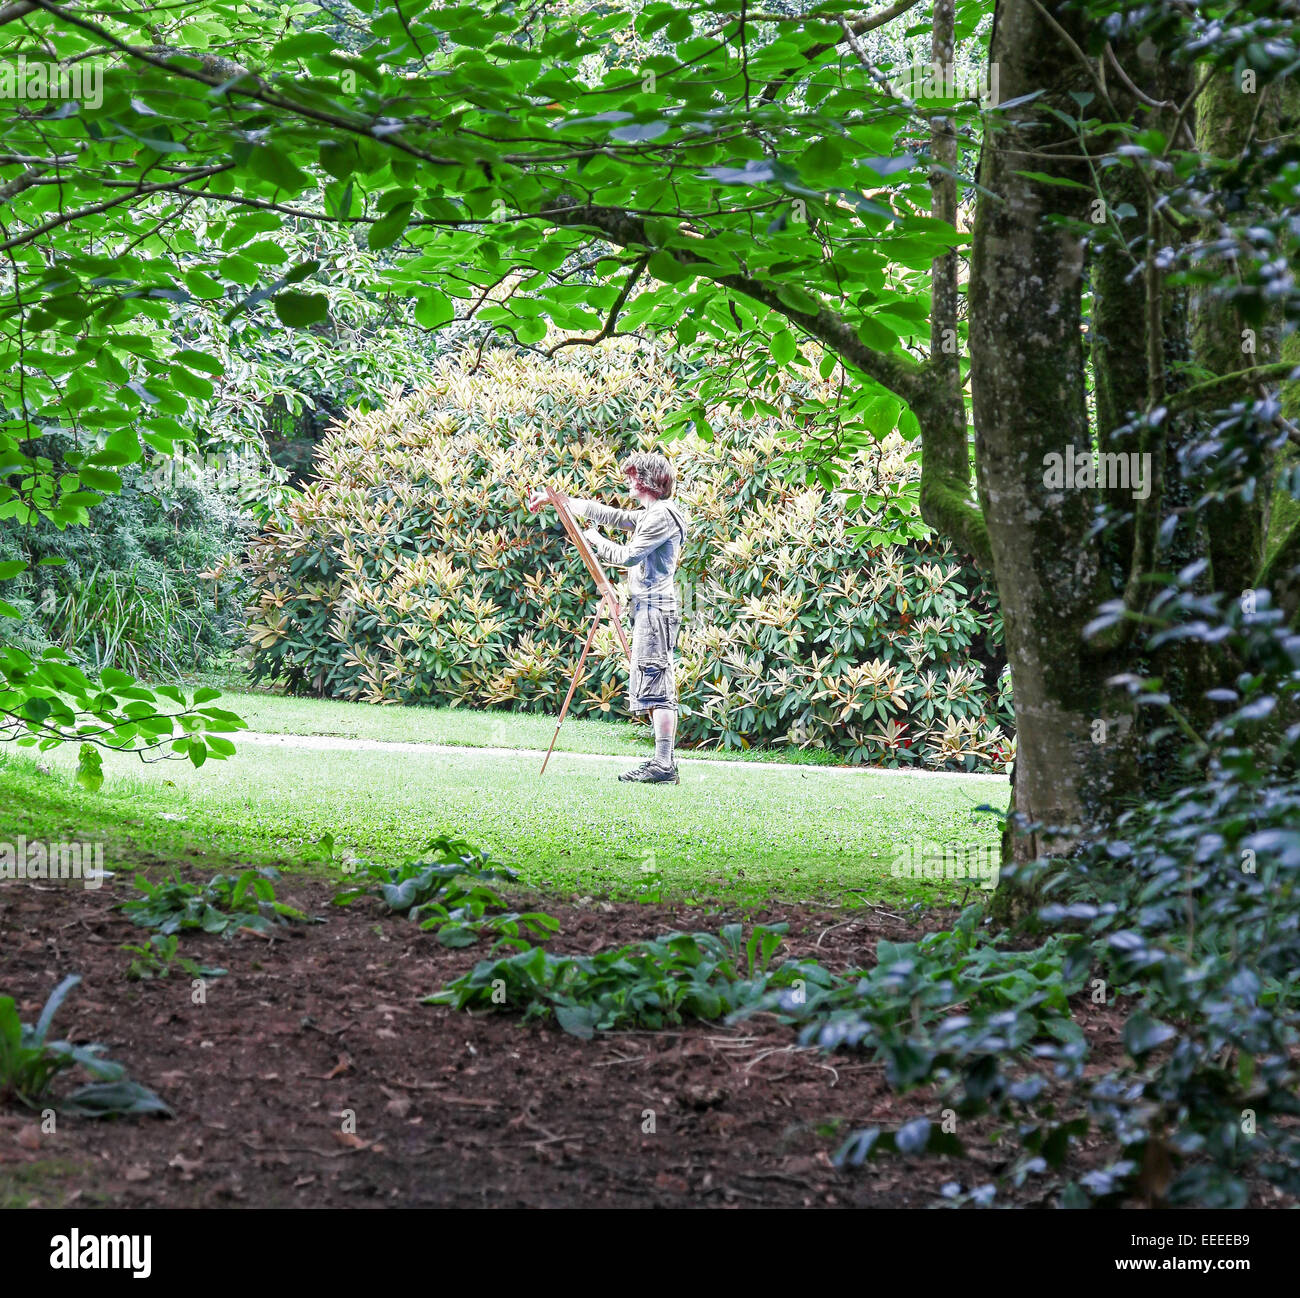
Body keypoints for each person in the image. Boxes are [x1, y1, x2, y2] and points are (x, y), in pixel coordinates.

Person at [527, 452, 689, 784]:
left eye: (632, 477)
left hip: (656, 608)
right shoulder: (651, 513)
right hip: (649, 607)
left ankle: (662, 765)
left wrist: (596, 540)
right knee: (653, 679)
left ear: (645, 480)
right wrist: (559, 502)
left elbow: (629, 556)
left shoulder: (662, 516)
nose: (628, 482)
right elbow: (612, 515)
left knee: (656, 682)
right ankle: (662, 762)